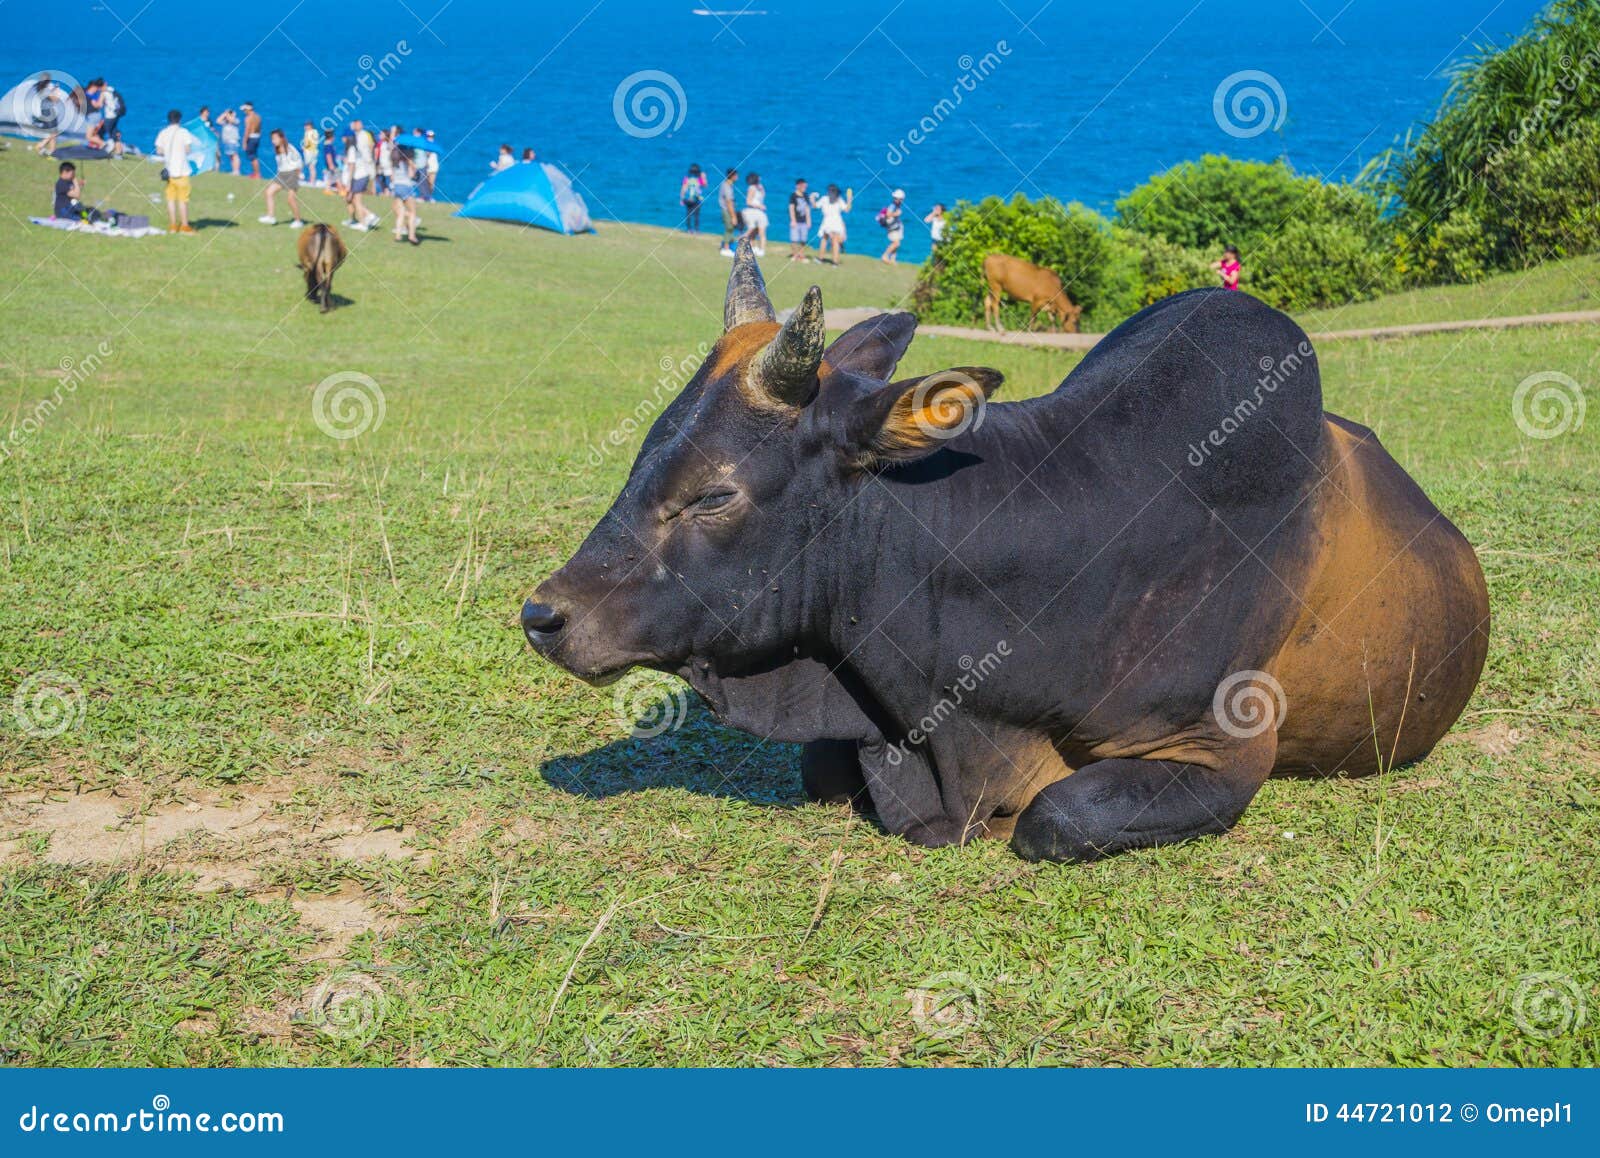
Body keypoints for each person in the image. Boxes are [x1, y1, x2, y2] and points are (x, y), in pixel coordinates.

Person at [154, 109, 199, 233]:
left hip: (169, 172)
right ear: (179, 119)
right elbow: (188, 149)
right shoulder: (183, 132)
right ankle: (184, 226)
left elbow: (158, 150)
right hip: (182, 171)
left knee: (170, 199)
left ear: (169, 119)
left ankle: (173, 225)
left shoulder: (163, 132)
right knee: (182, 200)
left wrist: (168, 151)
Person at [259, 129, 306, 227]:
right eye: (272, 139)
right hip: (282, 175)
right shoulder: (277, 149)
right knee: (269, 192)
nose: (273, 141)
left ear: (282, 138)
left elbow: (299, 161)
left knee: (290, 199)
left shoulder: (289, 148)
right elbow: (282, 164)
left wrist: (298, 174)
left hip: (292, 174)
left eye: (275, 138)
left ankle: (298, 221)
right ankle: (271, 217)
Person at [345, 119, 380, 230]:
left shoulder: (353, 148)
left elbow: (352, 166)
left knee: (357, 199)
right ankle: (366, 218)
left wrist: (349, 182)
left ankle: (366, 221)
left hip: (360, 175)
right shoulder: (357, 147)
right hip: (364, 173)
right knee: (355, 199)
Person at [812, 183, 852, 265]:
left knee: (825, 239)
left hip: (828, 222)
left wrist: (812, 198)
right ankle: (834, 262)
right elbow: (847, 209)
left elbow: (815, 206)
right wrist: (849, 199)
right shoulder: (839, 199)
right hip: (836, 222)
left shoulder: (824, 199)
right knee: (834, 241)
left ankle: (821, 259)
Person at [390, 145, 421, 245]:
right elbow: (412, 175)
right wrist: (413, 167)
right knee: (412, 213)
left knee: (401, 213)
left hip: (397, 186)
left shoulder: (394, 161)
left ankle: (398, 236)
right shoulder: (407, 161)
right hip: (406, 186)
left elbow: (392, 177)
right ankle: (412, 236)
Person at [742, 172, 767, 256]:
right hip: (753, 211)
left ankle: (761, 249)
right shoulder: (751, 188)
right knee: (752, 230)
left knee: (760, 231)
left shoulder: (760, 187)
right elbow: (748, 201)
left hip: (759, 212)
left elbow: (762, 196)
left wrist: (761, 188)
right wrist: (759, 206)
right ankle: (745, 244)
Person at [717, 167, 740, 256]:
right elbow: (729, 202)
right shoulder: (727, 186)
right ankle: (725, 248)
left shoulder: (726, 184)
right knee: (729, 228)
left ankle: (729, 246)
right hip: (727, 210)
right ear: (733, 176)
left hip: (726, 210)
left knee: (730, 228)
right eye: (736, 175)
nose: (737, 177)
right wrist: (734, 216)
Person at [788, 177, 811, 261]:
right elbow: (791, 208)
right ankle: (795, 255)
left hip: (804, 221)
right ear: (798, 186)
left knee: (803, 240)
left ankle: (801, 255)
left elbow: (807, 209)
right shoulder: (793, 196)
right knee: (794, 239)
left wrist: (809, 220)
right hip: (796, 221)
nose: (804, 188)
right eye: (803, 186)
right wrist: (793, 220)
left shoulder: (806, 195)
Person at [879, 188, 906, 263]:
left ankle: (893, 259)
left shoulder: (896, 205)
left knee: (896, 243)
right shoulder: (892, 206)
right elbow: (888, 214)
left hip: (896, 226)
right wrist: (896, 214)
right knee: (896, 243)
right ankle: (885, 256)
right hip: (892, 227)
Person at [680, 163, 706, 234]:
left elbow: (683, 188)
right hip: (696, 199)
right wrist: (703, 177)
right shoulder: (699, 178)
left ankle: (689, 229)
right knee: (696, 215)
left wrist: (681, 198)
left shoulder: (687, 178)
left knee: (688, 214)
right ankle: (696, 230)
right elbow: (705, 185)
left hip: (688, 199)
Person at [241, 102, 263, 177]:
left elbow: (247, 130)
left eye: (245, 110)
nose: (244, 112)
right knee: (254, 155)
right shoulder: (258, 117)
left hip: (251, 137)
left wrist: (244, 142)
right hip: (257, 137)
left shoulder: (248, 118)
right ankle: (256, 173)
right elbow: (259, 129)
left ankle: (257, 173)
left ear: (248, 109)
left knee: (252, 157)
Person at [218, 109, 242, 175]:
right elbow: (218, 121)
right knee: (231, 156)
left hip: (233, 141)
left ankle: (237, 170)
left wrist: (230, 115)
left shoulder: (236, 121)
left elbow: (232, 120)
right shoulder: (225, 123)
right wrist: (224, 114)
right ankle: (234, 170)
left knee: (235, 155)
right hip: (227, 142)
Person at [301, 121, 320, 185]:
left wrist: (303, 147)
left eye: (306, 126)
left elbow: (307, 143)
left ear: (309, 126)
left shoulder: (308, 132)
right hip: (315, 151)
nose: (304, 127)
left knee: (302, 165)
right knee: (312, 167)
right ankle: (312, 181)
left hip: (309, 152)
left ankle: (299, 177)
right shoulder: (315, 132)